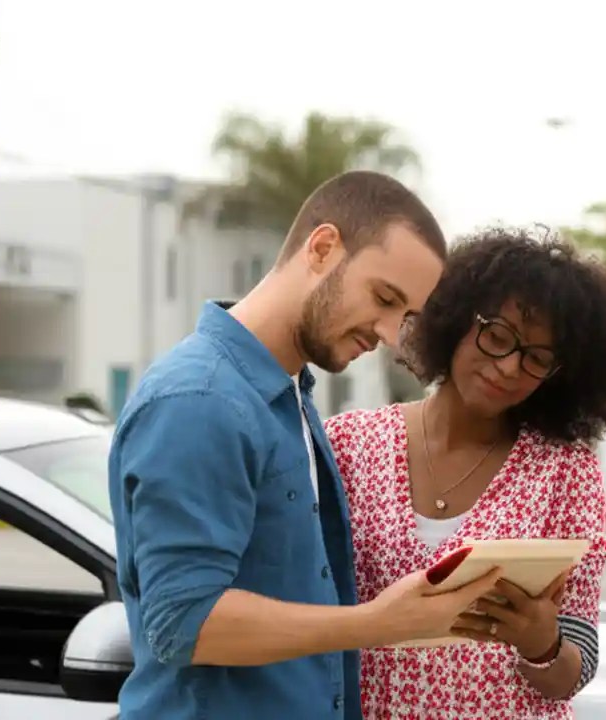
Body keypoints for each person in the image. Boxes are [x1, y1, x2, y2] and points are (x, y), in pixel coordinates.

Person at [107, 171, 503, 720]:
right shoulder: (201, 400)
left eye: (406, 316)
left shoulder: (283, 393)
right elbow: (184, 623)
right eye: (384, 298)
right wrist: (379, 623)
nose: (390, 335)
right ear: (322, 248)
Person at [324, 226, 606, 719]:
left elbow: (573, 669)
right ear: (455, 320)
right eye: (498, 336)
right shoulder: (348, 445)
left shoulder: (564, 471)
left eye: (537, 358)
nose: (509, 367)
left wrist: (541, 643)